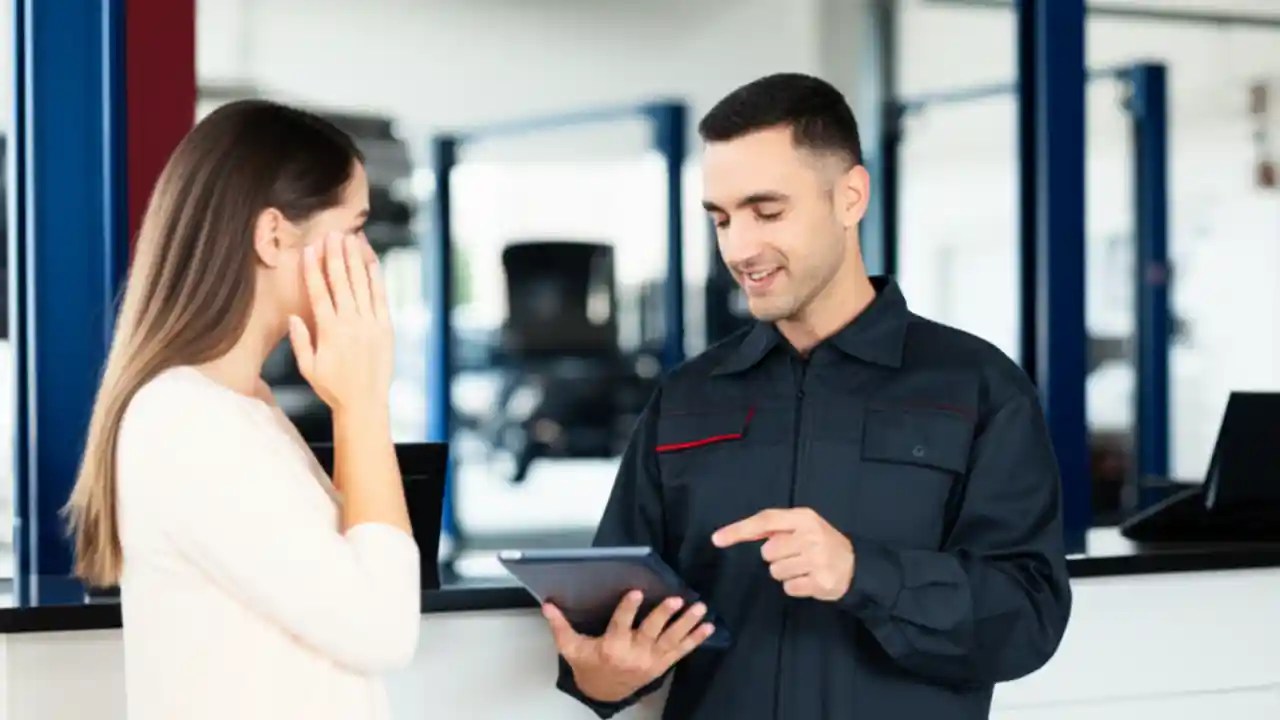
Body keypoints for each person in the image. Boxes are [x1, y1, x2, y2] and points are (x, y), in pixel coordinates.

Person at [543, 73, 1072, 719]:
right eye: (722, 218)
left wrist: (860, 572)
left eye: (767, 212)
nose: (740, 247)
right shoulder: (686, 399)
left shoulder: (977, 386)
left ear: (849, 197)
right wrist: (601, 678)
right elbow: (614, 619)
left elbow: (1028, 619)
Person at [62, 100, 420, 720]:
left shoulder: (244, 406)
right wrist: (363, 407)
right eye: (355, 228)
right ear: (274, 235)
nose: (368, 259)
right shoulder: (186, 421)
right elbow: (384, 630)